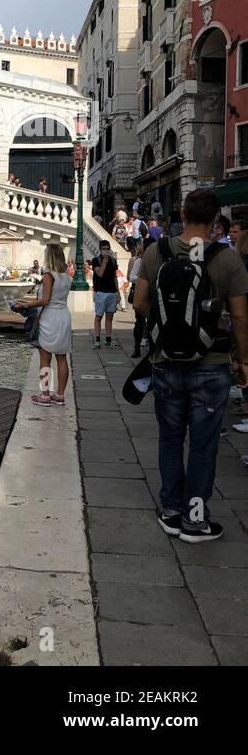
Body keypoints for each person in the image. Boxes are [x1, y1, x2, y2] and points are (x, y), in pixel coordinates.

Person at [132, 188, 248, 543]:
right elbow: (241, 317)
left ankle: (170, 512)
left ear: (181, 216)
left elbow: (138, 302)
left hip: (166, 362)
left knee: (169, 438)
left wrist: (166, 328)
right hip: (211, 364)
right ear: (216, 221)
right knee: (203, 444)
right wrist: (244, 360)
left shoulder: (157, 251)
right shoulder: (227, 259)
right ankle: (195, 519)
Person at [16, 243, 72, 406]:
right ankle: (60, 395)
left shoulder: (48, 276)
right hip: (63, 315)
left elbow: (46, 300)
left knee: (45, 359)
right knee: (62, 358)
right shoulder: (66, 275)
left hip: (49, 317)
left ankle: (45, 395)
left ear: (49, 256)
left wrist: (24, 305)